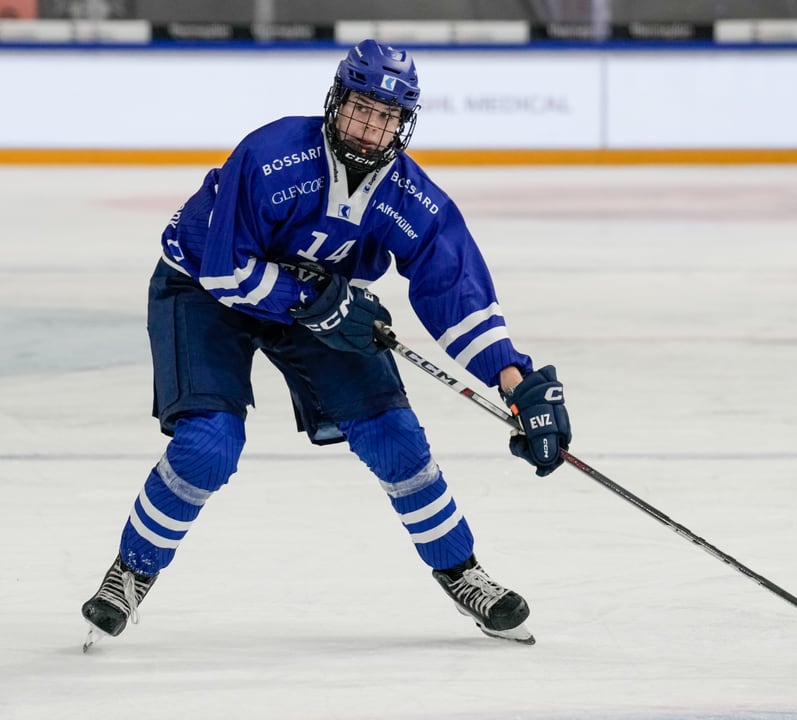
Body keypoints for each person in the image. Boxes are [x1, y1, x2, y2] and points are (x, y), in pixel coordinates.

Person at [81, 39, 571, 650]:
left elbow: (455, 291)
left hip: (315, 303)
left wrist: (514, 381)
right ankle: (130, 573)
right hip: (202, 291)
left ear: (404, 124)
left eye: (387, 117)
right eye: (362, 108)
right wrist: (315, 300)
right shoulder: (270, 156)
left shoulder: (408, 195)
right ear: (336, 102)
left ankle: (462, 572)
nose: (371, 127)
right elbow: (225, 269)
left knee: (395, 435)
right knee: (210, 443)